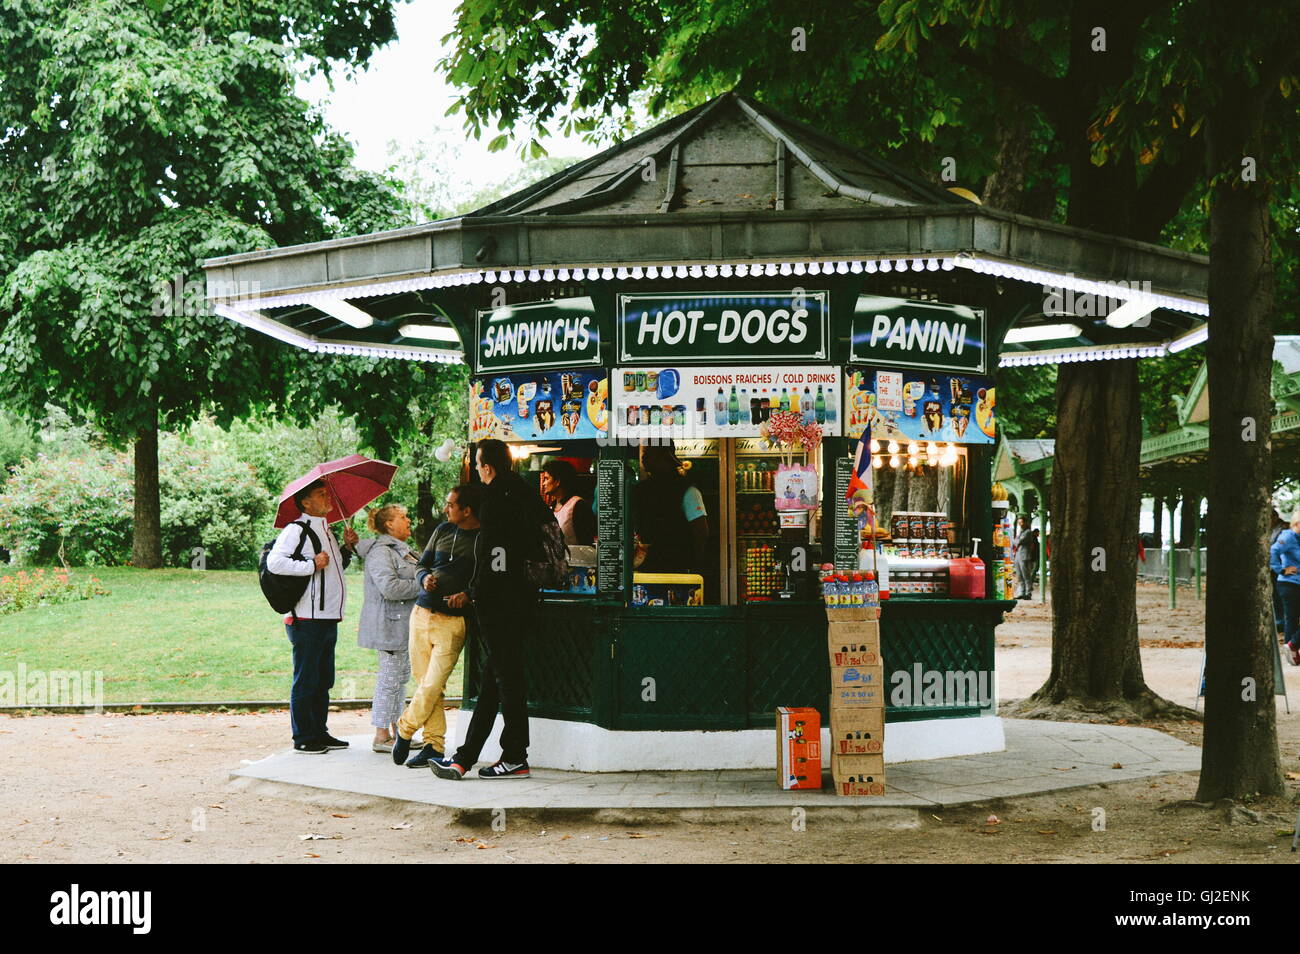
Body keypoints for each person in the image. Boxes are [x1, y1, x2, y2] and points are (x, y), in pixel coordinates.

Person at [431, 439, 551, 780]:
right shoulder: (526, 492)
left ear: (485, 467)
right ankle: (464, 758)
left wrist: (475, 593)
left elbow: (495, 557)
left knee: (507, 678)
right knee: (494, 679)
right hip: (524, 597)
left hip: (501, 602)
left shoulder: (496, 500)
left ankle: (515, 756)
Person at [391, 483, 483, 768]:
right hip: (421, 613)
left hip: (453, 622)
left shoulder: (484, 539)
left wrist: (468, 594)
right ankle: (433, 745)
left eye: (451, 504)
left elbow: (489, 580)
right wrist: (423, 579)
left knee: (432, 683)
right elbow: (422, 565)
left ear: (467, 510)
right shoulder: (443, 530)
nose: (446, 508)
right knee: (426, 684)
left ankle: (405, 729)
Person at [266, 479, 359, 754]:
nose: (327, 497)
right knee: (306, 679)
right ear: (306, 502)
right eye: (320, 494)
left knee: (322, 679)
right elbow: (275, 562)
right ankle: (303, 737)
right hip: (306, 618)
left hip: (327, 616)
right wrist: (310, 564)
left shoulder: (326, 530)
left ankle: (320, 731)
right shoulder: (297, 530)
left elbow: (332, 569)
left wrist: (345, 548)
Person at [354, 504, 422, 753]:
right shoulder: (381, 552)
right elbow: (390, 588)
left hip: (402, 625)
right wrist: (424, 584)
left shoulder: (402, 550)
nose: (408, 520)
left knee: (399, 679)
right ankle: (381, 734)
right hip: (388, 625)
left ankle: (397, 732)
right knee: (389, 679)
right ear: (389, 524)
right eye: (403, 517)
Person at [633, 442, 710, 574]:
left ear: (665, 459)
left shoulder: (687, 491)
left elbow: (700, 531)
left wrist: (696, 564)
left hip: (675, 566)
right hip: (651, 566)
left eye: (650, 454)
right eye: (645, 454)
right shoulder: (640, 490)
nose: (644, 458)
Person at [539, 459, 596, 545]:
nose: (544, 483)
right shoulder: (552, 505)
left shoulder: (578, 505)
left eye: (547, 479)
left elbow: (587, 541)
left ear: (557, 481)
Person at [1269, 510, 1300, 666]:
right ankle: (1291, 647)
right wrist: (1281, 569)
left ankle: (1291, 647)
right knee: (1291, 618)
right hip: (1289, 583)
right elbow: (1273, 551)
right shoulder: (1288, 536)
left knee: (1292, 618)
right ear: (1297, 523)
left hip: (1297, 582)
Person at [1269, 509, 1287, 639]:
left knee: (1281, 596)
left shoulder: (1283, 529)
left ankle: (1282, 622)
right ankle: (1280, 622)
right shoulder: (1272, 529)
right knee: (1276, 595)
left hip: (1281, 567)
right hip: (1274, 568)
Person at [1013, 516, 1035, 600]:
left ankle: (1028, 592)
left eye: (1021, 522)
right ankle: (1022, 592)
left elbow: (1017, 542)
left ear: (1025, 522)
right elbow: (1016, 542)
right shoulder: (1021, 532)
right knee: (1019, 575)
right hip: (1018, 555)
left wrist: (1016, 540)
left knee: (1026, 575)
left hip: (1024, 556)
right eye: (1019, 523)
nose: (1020, 524)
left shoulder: (1028, 532)